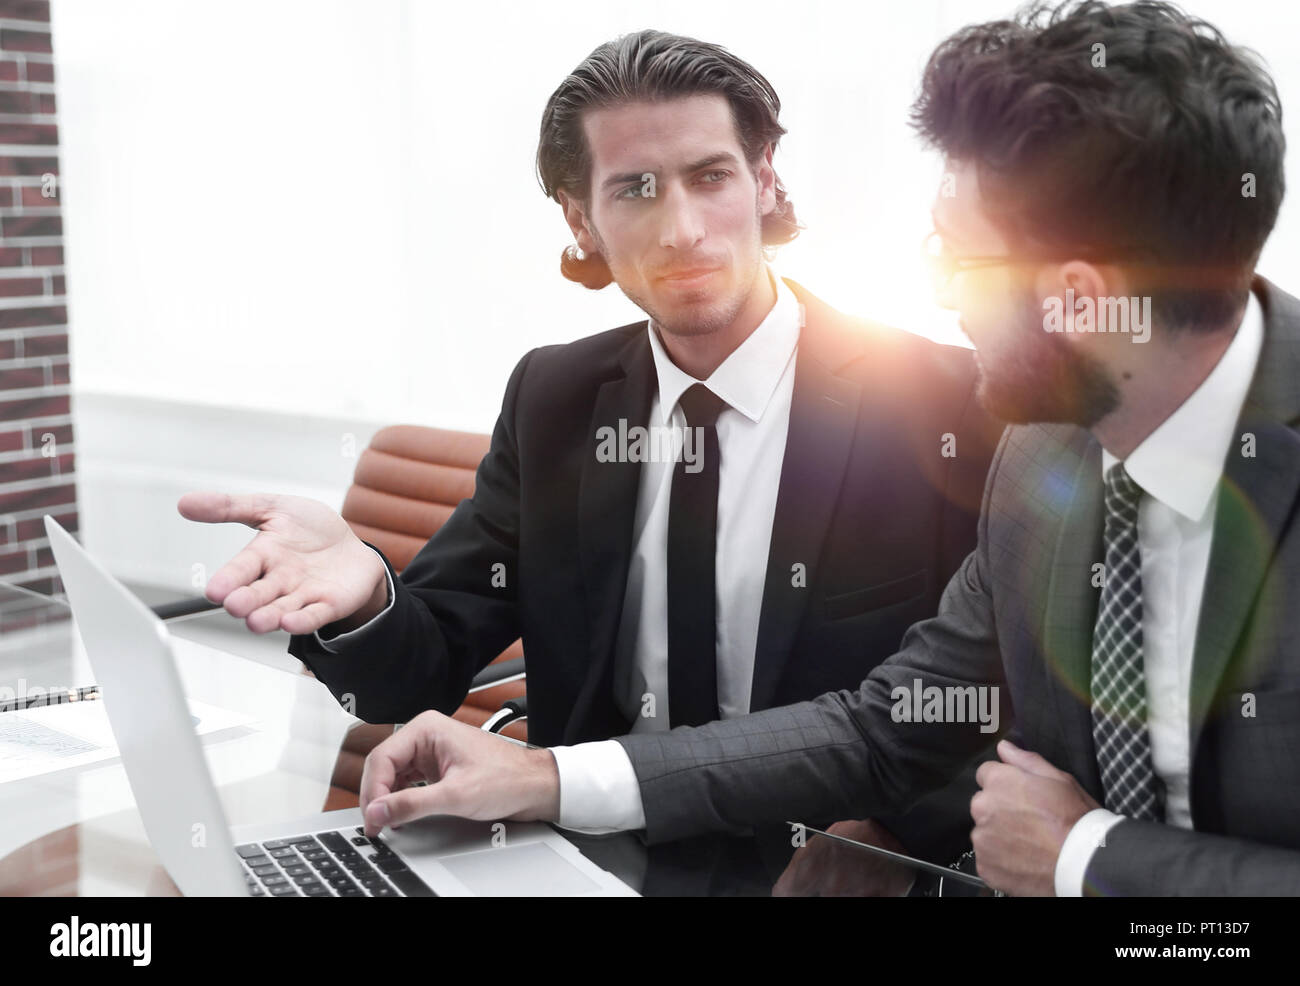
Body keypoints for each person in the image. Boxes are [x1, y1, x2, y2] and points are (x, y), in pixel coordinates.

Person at [350, 1, 1300, 895]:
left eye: (957, 257)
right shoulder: (1049, 449)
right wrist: (552, 778)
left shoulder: (973, 417)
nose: (942, 297)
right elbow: (886, 725)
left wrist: (1087, 856)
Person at [179, 30, 1001, 894]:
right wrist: (367, 597)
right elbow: (424, 664)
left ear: (763, 180)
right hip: (580, 852)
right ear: (583, 219)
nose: (683, 228)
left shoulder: (942, 402)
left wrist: (891, 837)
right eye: (636, 190)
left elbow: (995, 692)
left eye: (711, 176)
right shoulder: (556, 397)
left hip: (809, 865)